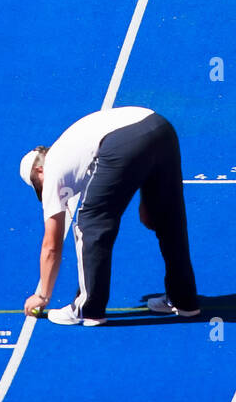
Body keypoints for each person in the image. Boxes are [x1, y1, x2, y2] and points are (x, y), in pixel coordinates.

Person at [19, 105, 200, 325]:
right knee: (167, 218)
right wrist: (147, 200)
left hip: (123, 140)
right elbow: (136, 150)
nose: (44, 190)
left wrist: (42, 295)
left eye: (39, 186)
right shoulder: (71, 153)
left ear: (39, 171)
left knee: (90, 225)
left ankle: (88, 308)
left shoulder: (53, 169)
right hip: (161, 128)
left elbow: (52, 245)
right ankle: (184, 300)